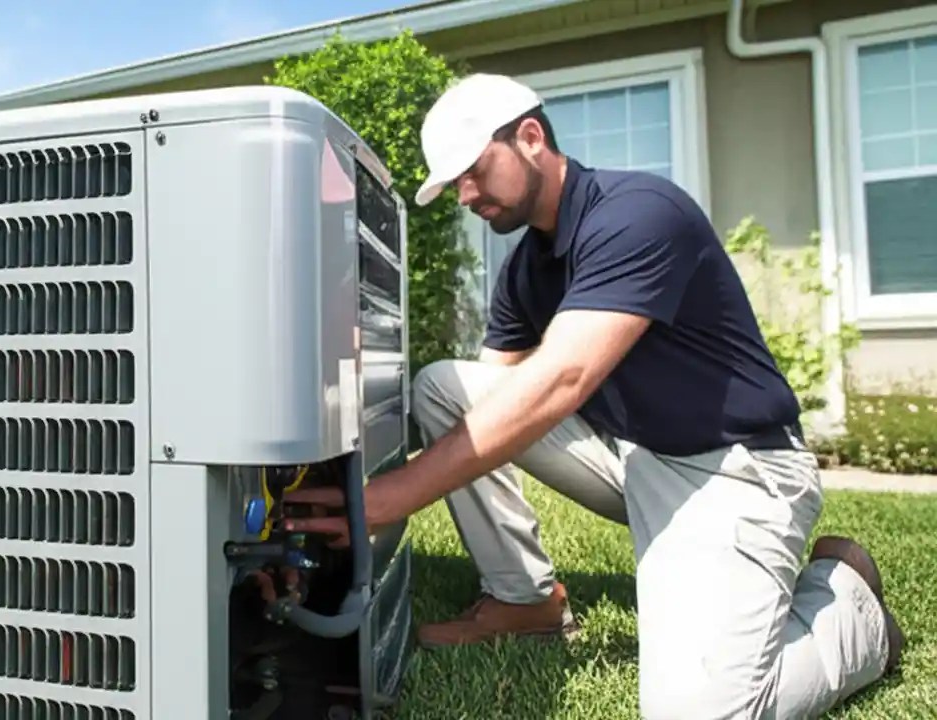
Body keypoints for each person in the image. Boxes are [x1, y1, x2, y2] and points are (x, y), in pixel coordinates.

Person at [285, 73, 903, 719]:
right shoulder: (528, 267)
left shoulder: (638, 212)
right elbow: (494, 405)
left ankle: (851, 607)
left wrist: (392, 494)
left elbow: (563, 379)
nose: (465, 195)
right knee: (446, 384)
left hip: (734, 471)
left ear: (530, 138)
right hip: (635, 461)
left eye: (473, 172)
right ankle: (525, 600)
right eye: (453, 183)